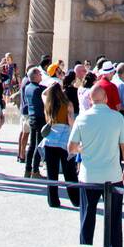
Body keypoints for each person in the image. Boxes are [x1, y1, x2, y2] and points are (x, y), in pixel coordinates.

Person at [67, 82, 124, 247]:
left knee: (87, 218)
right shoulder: (116, 117)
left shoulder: (82, 118)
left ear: (90, 99)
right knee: (114, 219)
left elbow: (71, 147)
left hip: (89, 176)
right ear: (106, 98)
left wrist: (82, 149)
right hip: (112, 176)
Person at [41, 80, 80, 208]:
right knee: (70, 173)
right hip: (64, 140)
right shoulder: (68, 104)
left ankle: (53, 201)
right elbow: (71, 122)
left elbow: (44, 93)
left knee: (51, 174)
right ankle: (76, 200)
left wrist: (50, 87)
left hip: (50, 140)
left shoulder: (48, 103)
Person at [22, 66, 46, 177]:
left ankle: (27, 169)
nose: (41, 75)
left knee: (32, 145)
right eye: (39, 74)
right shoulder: (38, 89)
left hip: (31, 117)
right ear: (35, 76)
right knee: (38, 144)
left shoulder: (27, 87)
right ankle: (35, 170)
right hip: (40, 118)